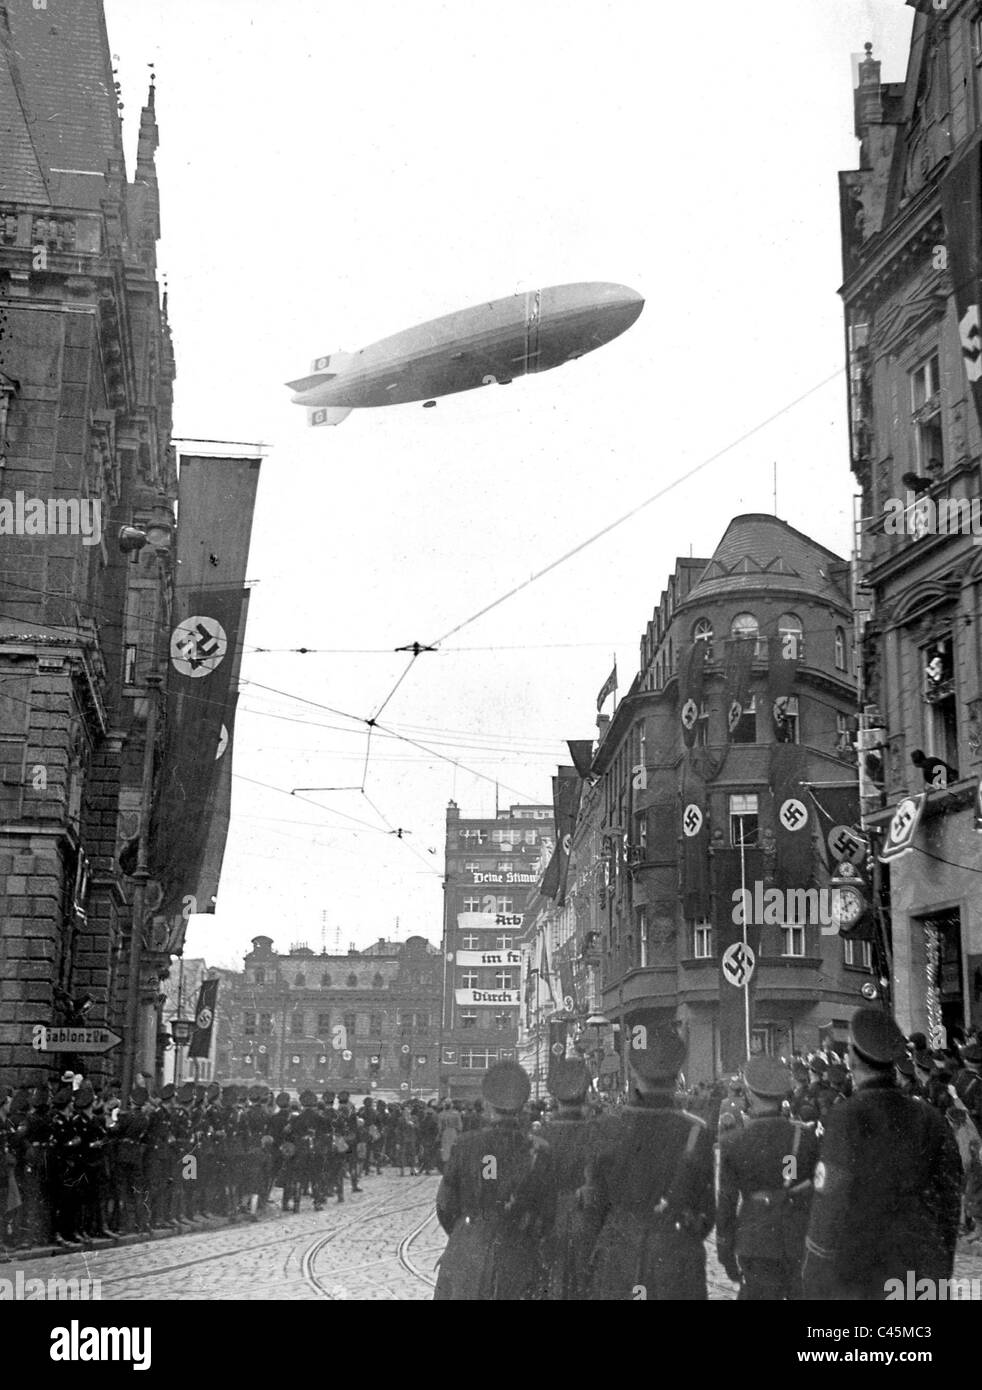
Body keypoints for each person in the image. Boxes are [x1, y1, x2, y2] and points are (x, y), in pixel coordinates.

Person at [803, 1007, 963, 1300]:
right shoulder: (930, 1117)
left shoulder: (846, 1118)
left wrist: (814, 1277)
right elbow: (950, 1201)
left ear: (852, 1058)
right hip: (920, 1273)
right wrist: (941, 1271)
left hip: (862, 1275)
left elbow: (830, 1205)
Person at [586, 1015, 715, 1300]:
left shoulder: (607, 1127)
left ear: (633, 1071)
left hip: (620, 1257)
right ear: (677, 1073)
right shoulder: (697, 1131)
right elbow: (706, 1214)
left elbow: (594, 1206)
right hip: (677, 1260)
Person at [435, 1061, 555, 1300]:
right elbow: (548, 1212)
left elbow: (445, 1205)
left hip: (469, 1248)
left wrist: (468, 1232)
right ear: (523, 1105)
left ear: (488, 1104)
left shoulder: (465, 1144)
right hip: (518, 1249)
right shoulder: (539, 1149)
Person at [716, 1055, 818, 1301]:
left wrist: (725, 1252)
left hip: (755, 1242)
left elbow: (727, 1203)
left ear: (749, 1094)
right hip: (797, 1240)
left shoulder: (733, 1142)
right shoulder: (804, 1137)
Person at [539, 1058, 603, 1301]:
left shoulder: (539, 1136)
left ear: (555, 1098)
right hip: (590, 1224)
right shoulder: (600, 1134)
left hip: (549, 1226)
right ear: (586, 1095)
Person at [438, 1098, 462, 1173]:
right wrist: (459, 1133)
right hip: (454, 1132)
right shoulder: (456, 1113)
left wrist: (440, 1134)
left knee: (445, 1150)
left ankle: (446, 1167)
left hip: (445, 1132)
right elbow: (460, 1126)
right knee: (454, 1148)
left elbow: (439, 1127)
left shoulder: (441, 1114)